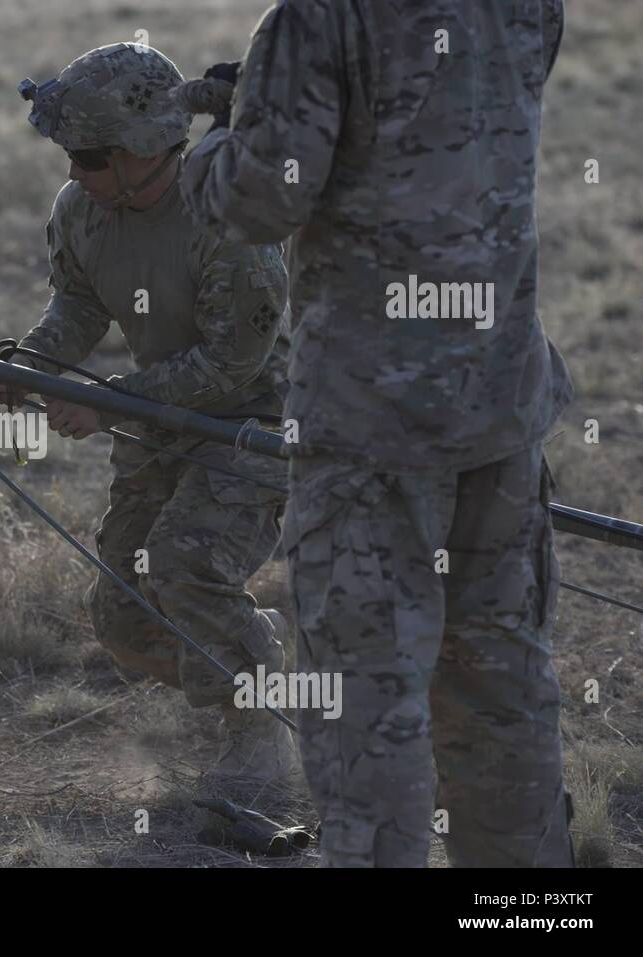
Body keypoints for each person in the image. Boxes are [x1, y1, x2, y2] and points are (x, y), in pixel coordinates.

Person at [179, 1, 575, 865]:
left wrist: (215, 136)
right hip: (500, 398)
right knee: (502, 688)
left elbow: (260, 200)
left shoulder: (316, 18)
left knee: (367, 709)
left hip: (371, 421)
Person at [0, 43, 295, 777]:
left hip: (253, 424)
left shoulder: (226, 215)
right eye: (70, 154)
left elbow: (232, 364)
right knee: (125, 615)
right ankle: (247, 655)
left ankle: (262, 725)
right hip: (160, 423)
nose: (75, 172)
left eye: (91, 156)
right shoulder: (83, 210)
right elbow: (78, 301)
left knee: (185, 566)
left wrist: (110, 402)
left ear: (144, 147)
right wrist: (34, 364)